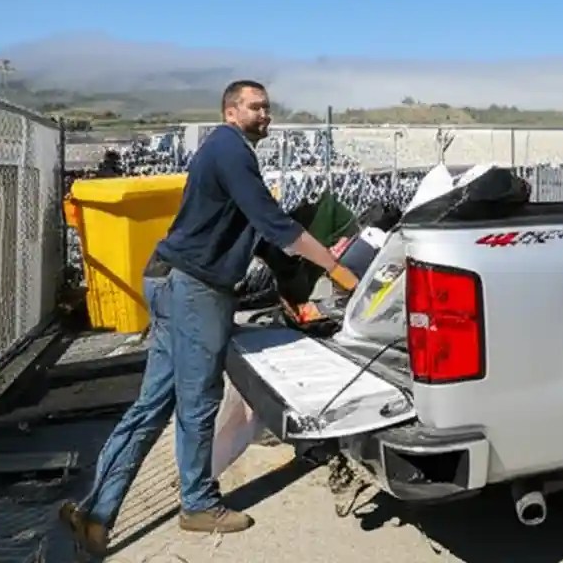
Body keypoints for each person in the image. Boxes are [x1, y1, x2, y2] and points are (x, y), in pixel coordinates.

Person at [59, 79, 359, 556]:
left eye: (267, 107)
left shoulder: (224, 152)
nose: (265, 114)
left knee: (153, 403)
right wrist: (337, 268)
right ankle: (197, 504)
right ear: (230, 112)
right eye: (255, 107)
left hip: (171, 279)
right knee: (198, 400)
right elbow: (273, 223)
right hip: (195, 288)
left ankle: (97, 513)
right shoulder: (231, 150)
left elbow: (250, 227)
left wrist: (289, 279)